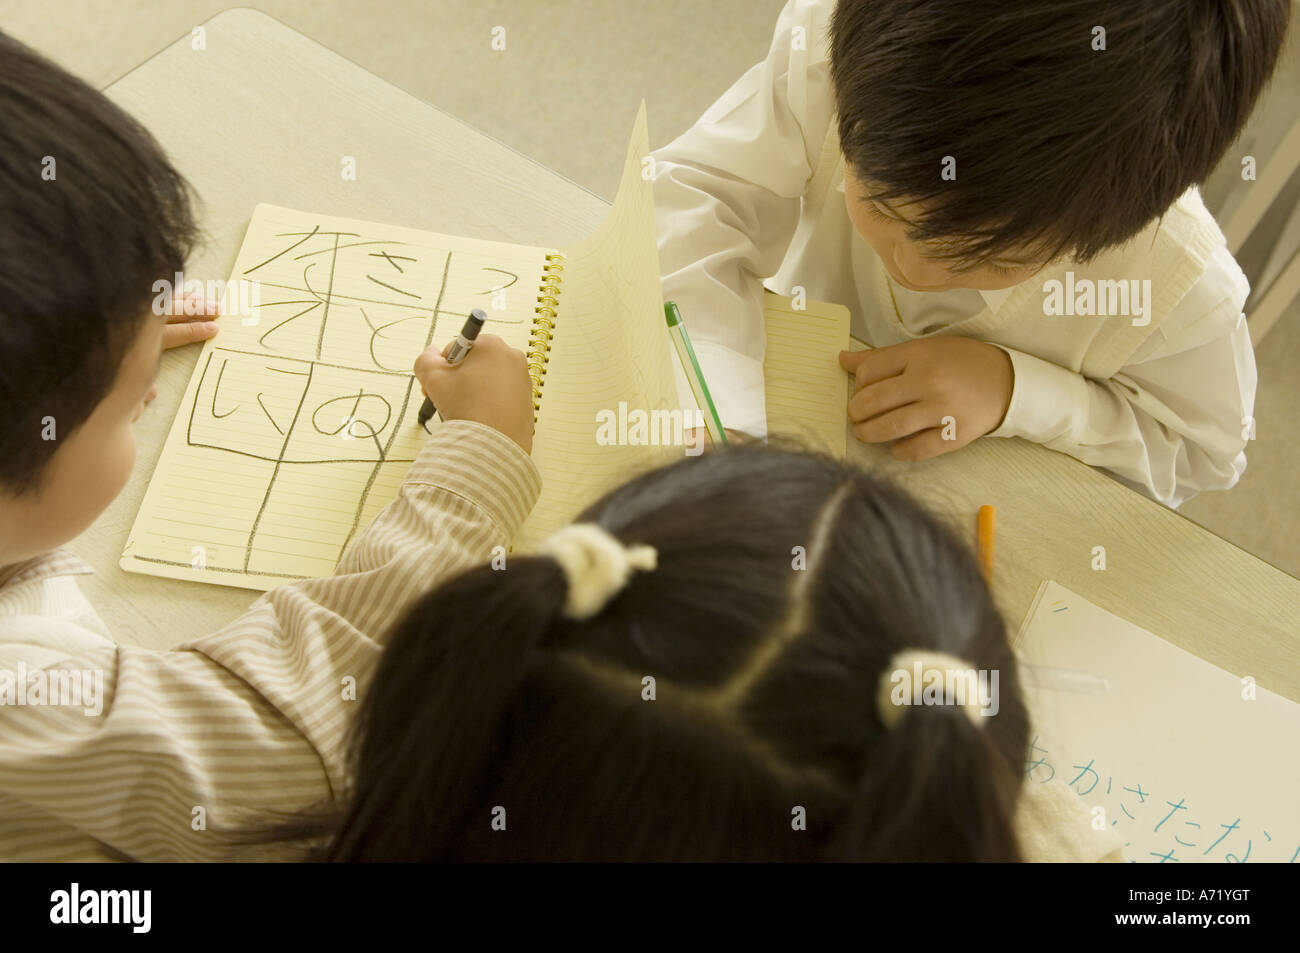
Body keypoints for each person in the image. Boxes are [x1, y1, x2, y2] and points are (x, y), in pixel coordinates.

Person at [652, 0, 1289, 507]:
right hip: (785, 368)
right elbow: (701, 194)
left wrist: (1018, 391)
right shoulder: (837, 48)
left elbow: (1203, 453)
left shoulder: (1176, 283)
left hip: (969, 498)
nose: (913, 269)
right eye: (882, 206)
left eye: (1001, 261)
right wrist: (719, 404)